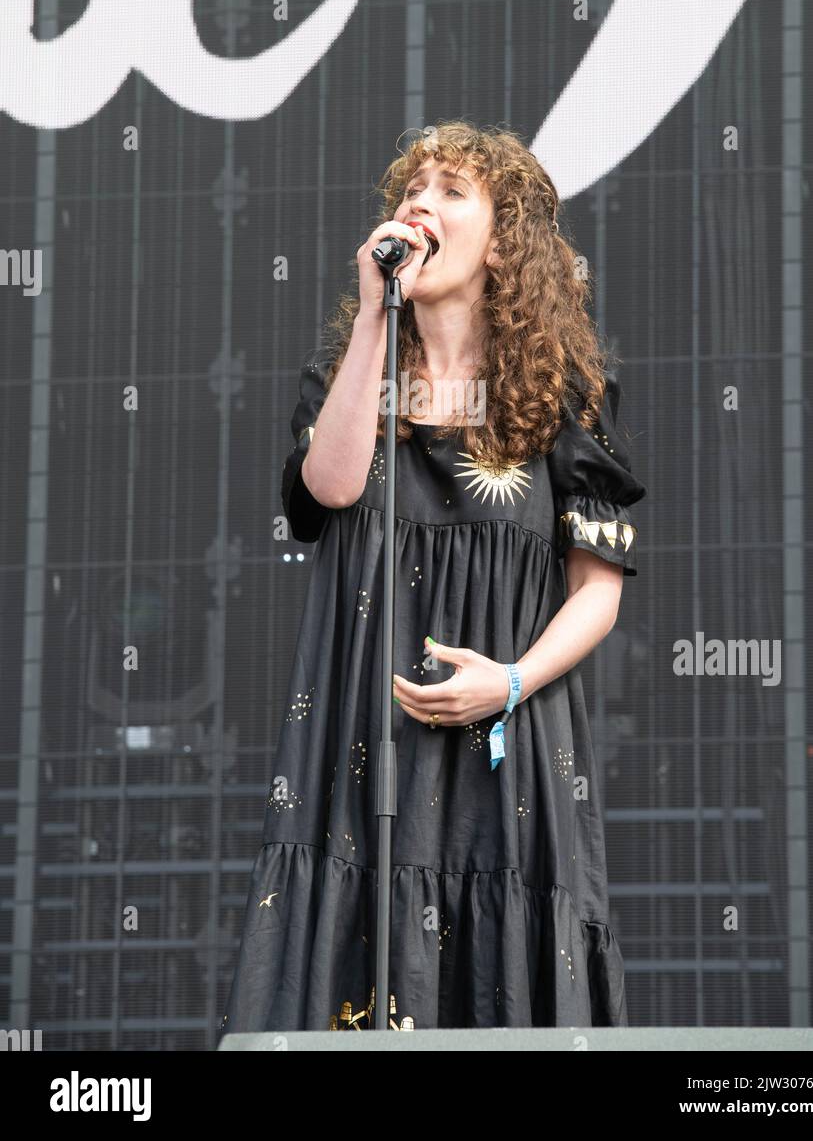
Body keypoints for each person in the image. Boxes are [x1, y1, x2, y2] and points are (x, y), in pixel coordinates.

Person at [221, 120, 647, 1033]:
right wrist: (379, 312)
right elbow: (328, 486)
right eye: (412, 189)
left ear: (502, 245)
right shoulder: (349, 374)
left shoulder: (562, 394)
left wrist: (512, 680)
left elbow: (599, 589)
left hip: (506, 751)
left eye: (453, 191)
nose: (420, 202)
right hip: (364, 743)